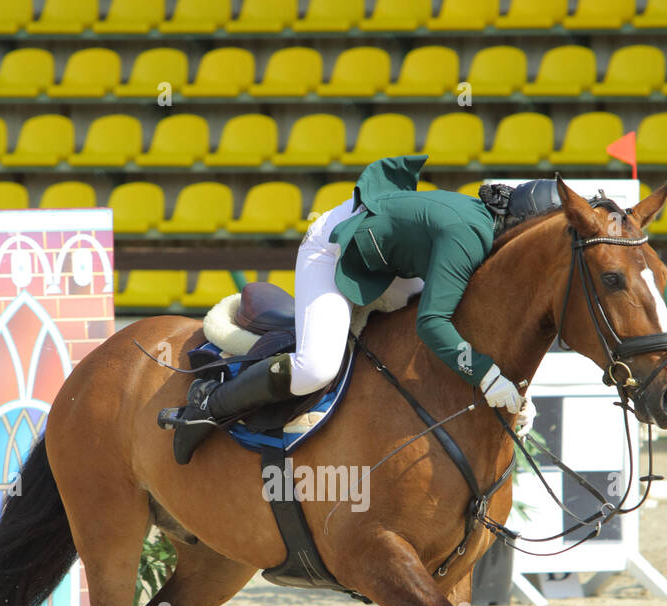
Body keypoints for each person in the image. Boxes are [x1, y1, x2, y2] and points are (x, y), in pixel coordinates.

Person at [171, 154, 538, 463]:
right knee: (316, 368)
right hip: (332, 247)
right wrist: (488, 377)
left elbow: (474, 328)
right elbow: (431, 324)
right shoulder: (470, 236)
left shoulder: (484, 234)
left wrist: (519, 392)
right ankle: (208, 405)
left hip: (386, 258)